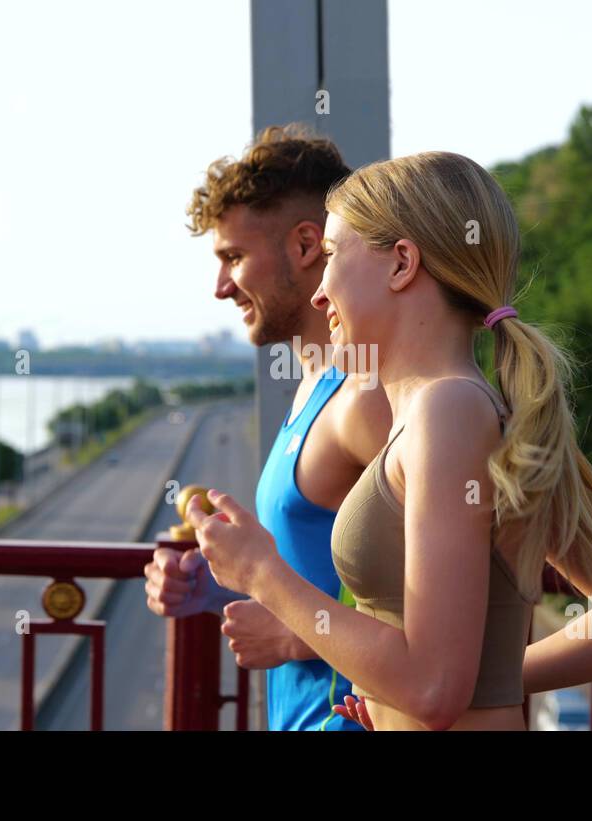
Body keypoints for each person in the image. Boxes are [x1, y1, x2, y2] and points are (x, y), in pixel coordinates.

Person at [189, 151, 592, 730]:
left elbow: (432, 687)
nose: (320, 295)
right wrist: (481, 683)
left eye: (330, 258)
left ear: (401, 264)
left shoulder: (448, 411)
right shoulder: (462, 408)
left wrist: (261, 574)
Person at [142, 125, 391, 731]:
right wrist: (214, 590)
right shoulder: (313, 387)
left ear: (307, 245)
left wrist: (297, 637)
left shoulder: (367, 398)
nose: (221, 287)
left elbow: (454, 601)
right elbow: (317, 586)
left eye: (233, 257)